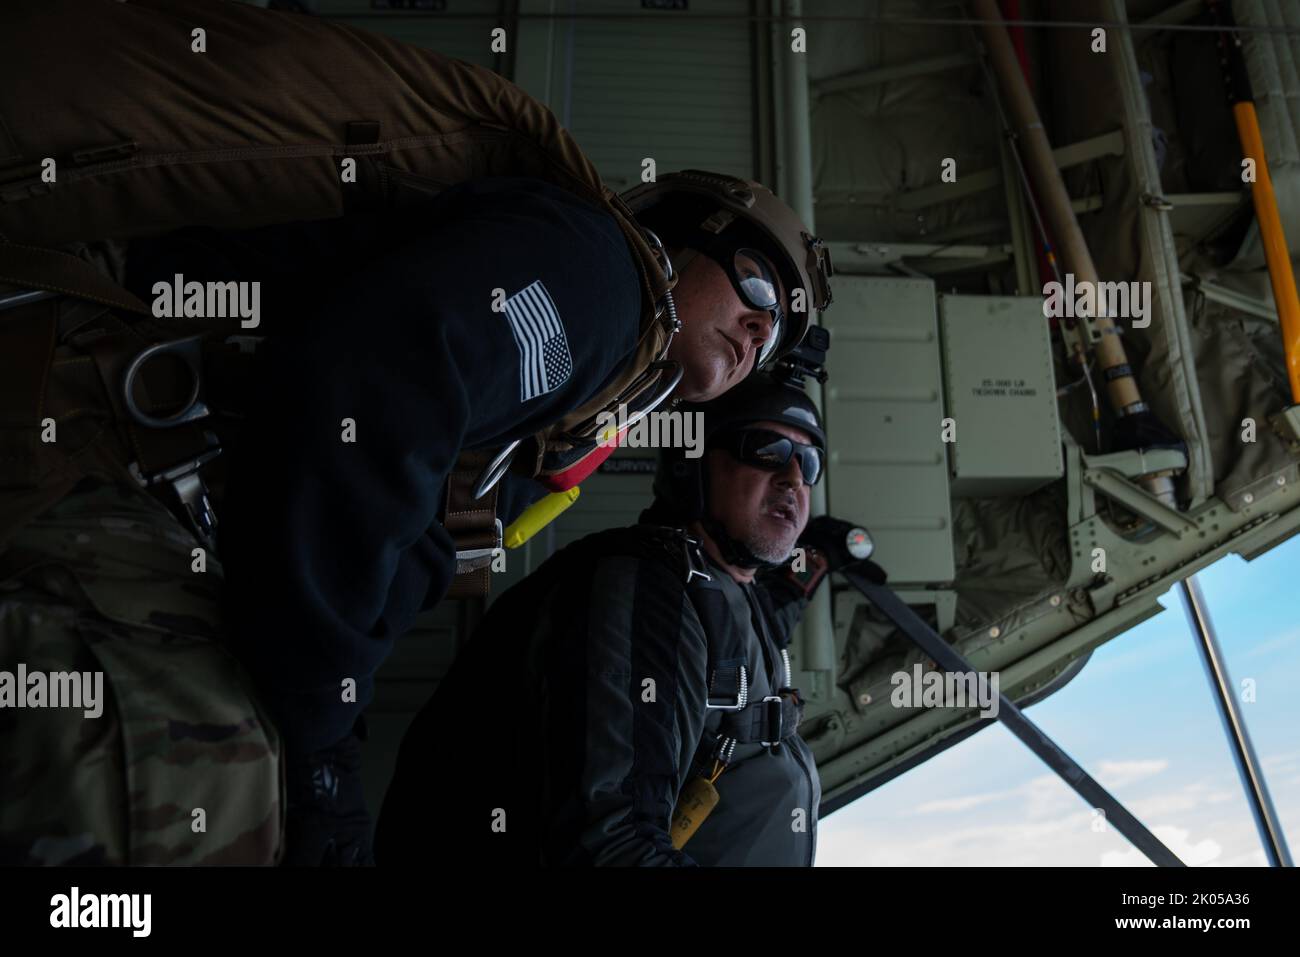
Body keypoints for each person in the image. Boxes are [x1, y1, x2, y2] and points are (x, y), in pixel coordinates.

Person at [376, 371, 840, 866]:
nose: (793, 479)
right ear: (693, 466)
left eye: (809, 463)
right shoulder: (643, 590)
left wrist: (818, 566)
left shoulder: (730, 595)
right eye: (767, 451)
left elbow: (728, 658)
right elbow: (613, 846)